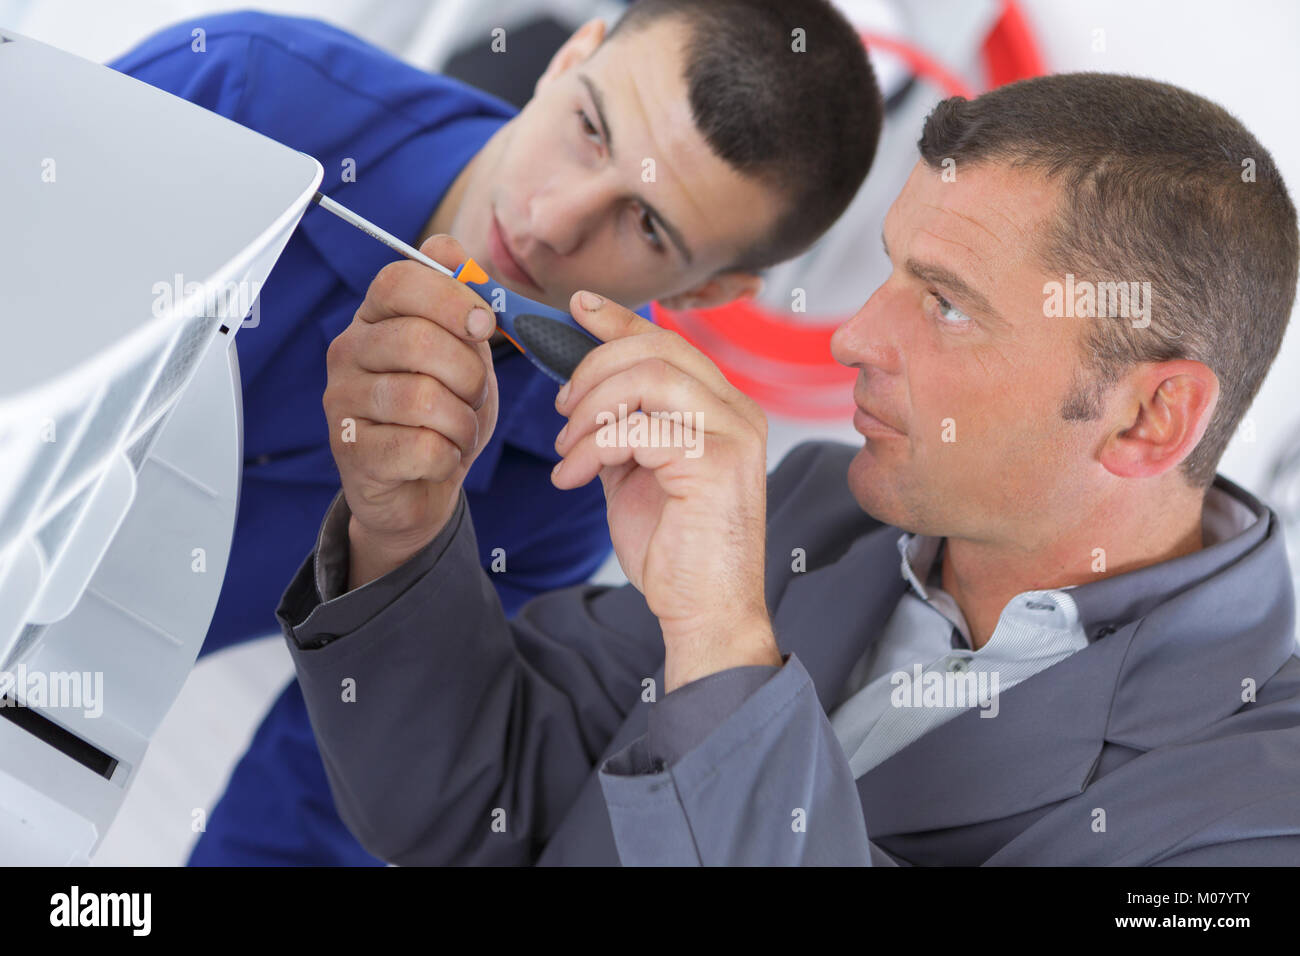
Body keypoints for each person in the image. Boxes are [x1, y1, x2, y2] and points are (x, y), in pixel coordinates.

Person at [279, 72, 1300, 864]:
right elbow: (479, 802)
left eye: (945, 303)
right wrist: (402, 522)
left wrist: (723, 644)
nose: (853, 336)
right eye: (890, 269)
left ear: (1148, 417)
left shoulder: (1257, 806)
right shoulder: (824, 508)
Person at [108, 2, 882, 865]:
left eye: (648, 223)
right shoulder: (239, 88)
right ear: (568, 57)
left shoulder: (579, 465)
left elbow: (331, 790)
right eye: (590, 127)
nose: (553, 220)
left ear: (707, 295)